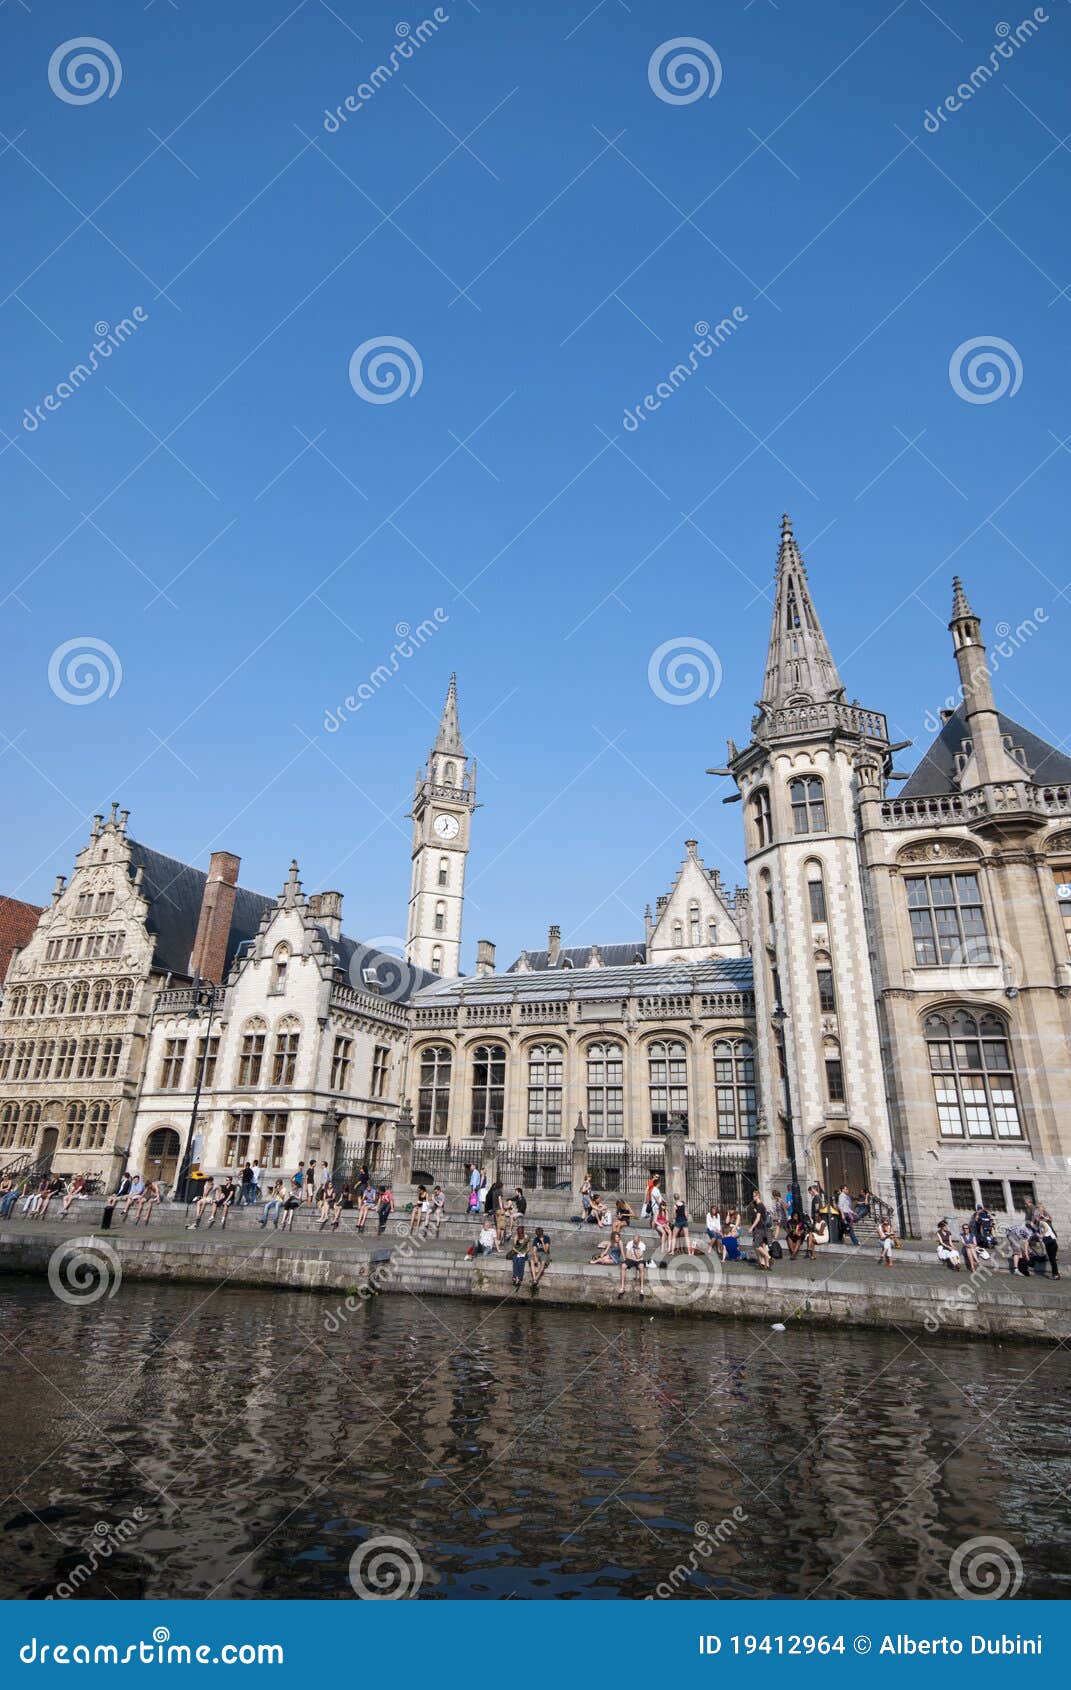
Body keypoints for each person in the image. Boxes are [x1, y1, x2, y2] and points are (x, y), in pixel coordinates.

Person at [622, 1231, 647, 1299]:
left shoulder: (642, 1245)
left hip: (639, 1260)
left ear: (639, 1240)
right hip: (631, 1259)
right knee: (623, 1266)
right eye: (634, 1240)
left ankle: (641, 1288)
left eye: (636, 1241)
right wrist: (632, 1257)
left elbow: (639, 1257)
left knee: (641, 1267)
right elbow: (627, 1255)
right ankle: (622, 1287)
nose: (634, 1242)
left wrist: (635, 1248)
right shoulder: (630, 1243)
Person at [1035, 1209, 1060, 1279]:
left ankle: (1056, 1275)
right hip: (1052, 1242)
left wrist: (1042, 1235)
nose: (1035, 1218)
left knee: (1052, 1260)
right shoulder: (1043, 1223)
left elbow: (1045, 1229)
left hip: (1050, 1243)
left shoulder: (1041, 1222)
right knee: (1053, 1260)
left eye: (1036, 1217)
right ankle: (1056, 1274)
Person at [510, 1225, 530, 1290]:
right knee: (515, 1259)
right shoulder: (516, 1237)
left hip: (524, 1254)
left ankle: (520, 1278)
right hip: (517, 1252)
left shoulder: (526, 1237)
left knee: (521, 1261)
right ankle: (515, 1276)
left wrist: (524, 1252)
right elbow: (513, 1248)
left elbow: (529, 1248)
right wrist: (518, 1252)